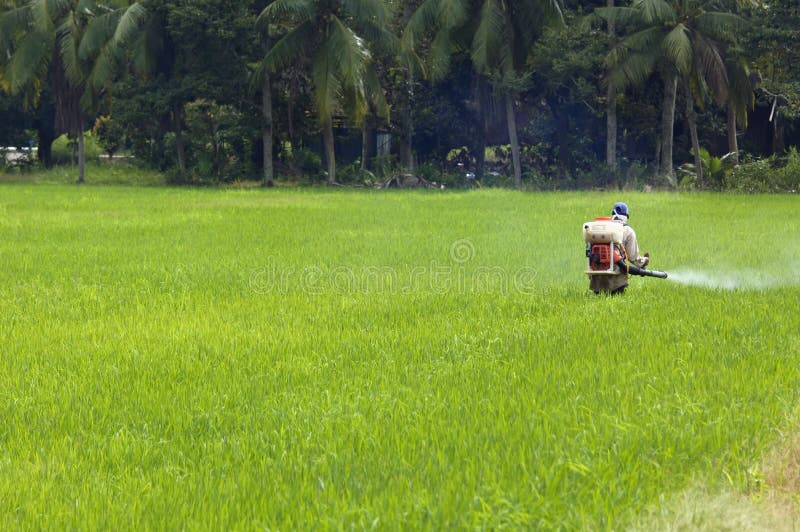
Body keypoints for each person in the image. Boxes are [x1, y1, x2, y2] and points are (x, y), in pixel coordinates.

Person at [589, 202, 649, 295]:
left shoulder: (600, 229)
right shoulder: (628, 231)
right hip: (616, 282)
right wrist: (643, 263)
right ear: (626, 216)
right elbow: (633, 257)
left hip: (596, 282)